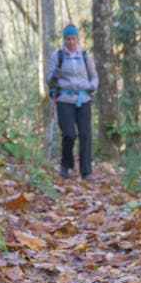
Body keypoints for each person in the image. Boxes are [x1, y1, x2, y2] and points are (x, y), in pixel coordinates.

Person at [46, 24, 99, 180]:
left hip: (84, 99)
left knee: (85, 135)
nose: (71, 42)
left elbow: (94, 76)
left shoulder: (84, 56)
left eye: (73, 38)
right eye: (68, 39)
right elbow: (48, 80)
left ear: (77, 39)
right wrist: (54, 76)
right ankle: (66, 165)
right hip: (64, 99)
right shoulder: (58, 55)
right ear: (64, 40)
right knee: (69, 134)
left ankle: (86, 171)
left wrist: (92, 86)